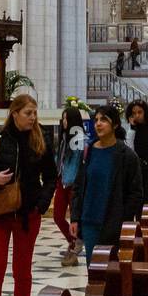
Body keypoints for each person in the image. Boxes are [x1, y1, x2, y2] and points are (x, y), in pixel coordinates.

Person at [0, 93, 57, 296]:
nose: (32, 117)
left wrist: (42, 204)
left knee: (22, 272)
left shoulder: (41, 141)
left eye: (34, 113)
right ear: (15, 114)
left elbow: (51, 176)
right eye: (28, 113)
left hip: (27, 215)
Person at [70, 105, 142, 265]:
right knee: (94, 271)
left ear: (115, 125)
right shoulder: (88, 152)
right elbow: (78, 186)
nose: (98, 124)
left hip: (113, 223)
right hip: (89, 222)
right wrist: (75, 217)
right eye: (96, 120)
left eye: (104, 120)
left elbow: (135, 193)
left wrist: (123, 219)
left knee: (112, 272)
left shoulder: (127, 156)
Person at [54, 107, 85, 266]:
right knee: (58, 216)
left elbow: (75, 162)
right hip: (61, 181)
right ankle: (74, 242)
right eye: (63, 118)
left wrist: (69, 180)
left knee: (74, 218)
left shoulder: (78, 138)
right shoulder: (64, 137)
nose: (64, 121)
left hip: (72, 183)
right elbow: (60, 159)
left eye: (67, 119)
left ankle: (74, 246)